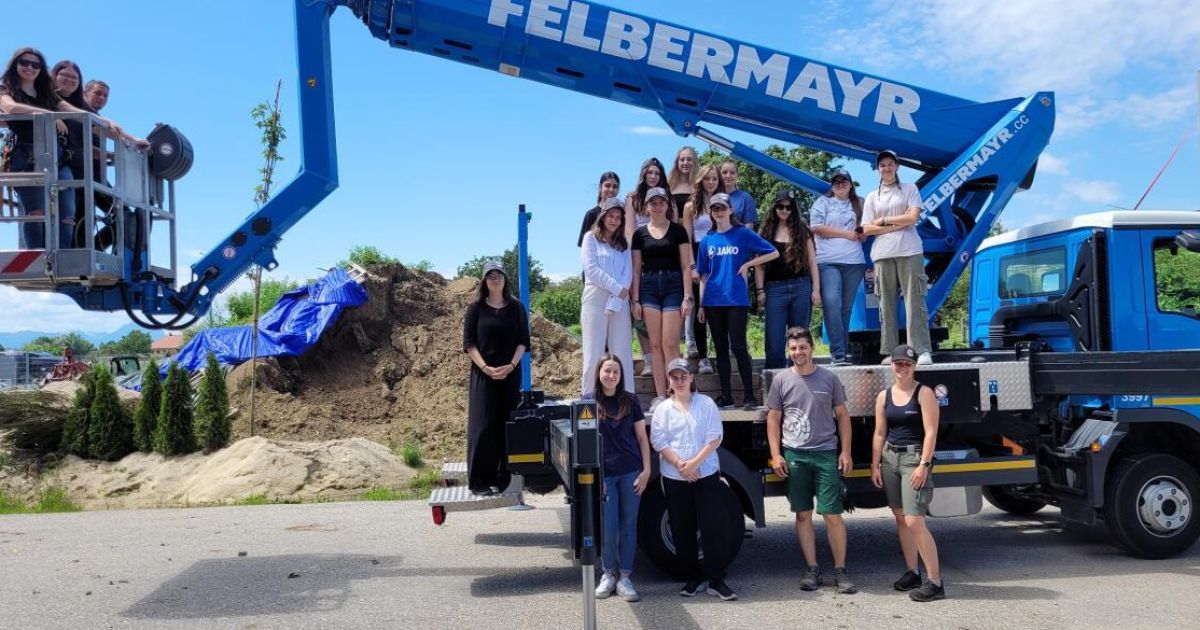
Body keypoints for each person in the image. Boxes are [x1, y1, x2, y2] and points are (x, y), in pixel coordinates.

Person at [766, 327, 857, 594]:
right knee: (803, 514)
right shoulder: (781, 380)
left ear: (812, 348)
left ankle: (840, 571)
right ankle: (812, 569)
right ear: (788, 351)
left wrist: (846, 451)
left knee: (832, 515)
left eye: (802, 347)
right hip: (794, 455)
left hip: (826, 453)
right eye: (793, 348)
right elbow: (773, 419)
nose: (798, 353)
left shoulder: (829, 379)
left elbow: (843, 416)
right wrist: (775, 455)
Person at [649, 357, 737, 601]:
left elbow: (714, 437)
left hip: (706, 472)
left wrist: (694, 464)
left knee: (713, 526)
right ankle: (692, 577)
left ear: (691, 378)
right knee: (682, 528)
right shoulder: (662, 410)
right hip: (675, 475)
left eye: (683, 376)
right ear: (668, 380)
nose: (679, 381)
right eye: (674, 377)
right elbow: (659, 441)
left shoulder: (706, 404)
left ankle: (716, 580)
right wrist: (680, 465)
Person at [871, 344, 945, 602]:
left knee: (915, 521)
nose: (902, 368)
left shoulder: (923, 393)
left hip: (914, 458)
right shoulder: (884, 396)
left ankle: (935, 582)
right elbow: (879, 432)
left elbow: (931, 432)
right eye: (898, 363)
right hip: (890, 457)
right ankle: (913, 572)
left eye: (907, 364)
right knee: (901, 517)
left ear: (914, 367)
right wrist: (875, 464)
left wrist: (924, 464)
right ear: (891, 365)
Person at [697, 192, 778, 409]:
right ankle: (727, 396)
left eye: (723, 208)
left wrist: (748, 265)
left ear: (730, 210)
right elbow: (703, 274)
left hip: (736, 298)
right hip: (713, 300)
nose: (719, 212)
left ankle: (749, 396)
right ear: (711, 213)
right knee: (720, 349)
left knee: (739, 347)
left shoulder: (742, 234)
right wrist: (701, 304)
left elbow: (773, 252)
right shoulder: (707, 241)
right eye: (715, 209)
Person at [0, 48, 82, 249]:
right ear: (15, 65)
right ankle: (36, 255)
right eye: (24, 62)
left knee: (67, 212)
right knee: (36, 213)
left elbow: (75, 111)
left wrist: (116, 128)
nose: (30, 67)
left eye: (35, 64)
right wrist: (48, 115)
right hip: (26, 158)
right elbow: (10, 108)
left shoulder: (46, 93)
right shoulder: (6, 90)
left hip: (57, 157)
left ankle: (63, 255)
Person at [462, 260, 530, 495]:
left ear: (505, 279)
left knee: (505, 425)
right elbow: (469, 344)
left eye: (499, 274)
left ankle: (503, 479)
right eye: (490, 275)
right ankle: (479, 481)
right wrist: (486, 368)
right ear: (484, 281)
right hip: (484, 375)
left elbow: (523, 341)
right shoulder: (475, 309)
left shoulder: (517, 308)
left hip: (510, 375)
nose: (495, 278)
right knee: (482, 426)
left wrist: (511, 365)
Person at [861, 150, 932, 365]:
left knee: (915, 301)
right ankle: (891, 351)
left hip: (910, 251)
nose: (886, 168)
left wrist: (882, 222)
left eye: (890, 164)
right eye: (882, 165)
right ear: (878, 169)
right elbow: (866, 228)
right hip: (882, 255)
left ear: (897, 167)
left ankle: (921, 350)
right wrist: (895, 224)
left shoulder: (910, 189)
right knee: (886, 304)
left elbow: (912, 218)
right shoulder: (872, 196)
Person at [591, 354, 651, 603]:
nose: (611, 376)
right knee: (609, 527)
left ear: (621, 375)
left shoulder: (631, 401)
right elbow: (587, 443)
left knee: (628, 526)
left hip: (630, 473)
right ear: (599, 373)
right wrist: (596, 476)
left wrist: (646, 471)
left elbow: (641, 438)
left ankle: (625, 577)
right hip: (606, 476)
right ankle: (608, 575)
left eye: (615, 371)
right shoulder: (590, 403)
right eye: (607, 371)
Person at [631, 187, 692, 407]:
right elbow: (636, 270)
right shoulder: (639, 234)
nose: (657, 207)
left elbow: (686, 266)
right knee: (655, 345)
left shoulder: (678, 231)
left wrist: (688, 297)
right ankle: (661, 396)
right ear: (646, 207)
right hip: (648, 287)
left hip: (673, 285)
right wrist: (635, 300)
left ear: (667, 205)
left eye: (661, 203)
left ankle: (678, 392)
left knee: (670, 343)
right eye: (653, 203)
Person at [757, 189, 820, 370]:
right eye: (780, 206)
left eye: (789, 207)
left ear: (794, 209)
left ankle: (801, 376)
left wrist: (816, 290)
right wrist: (760, 290)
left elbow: (812, 262)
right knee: (775, 339)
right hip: (774, 289)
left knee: (799, 338)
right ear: (774, 207)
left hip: (801, 287)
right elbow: (759, 264)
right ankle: (775, 380)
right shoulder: (766, 231)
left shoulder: (803, 230)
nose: (784, 210)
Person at [811, 169, 867, 366]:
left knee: (846, 309)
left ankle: (842, 353)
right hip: (828, 262)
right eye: (836, 181)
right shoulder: (823, 202)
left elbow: (868, 227)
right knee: (832, 303)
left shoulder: (861, 203)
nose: (840, 184)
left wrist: (863, 234)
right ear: (832, 185)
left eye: (844, 181)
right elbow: (816, 228)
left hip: (855, 263)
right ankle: (838, 353)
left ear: (851, 184)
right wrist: (846, 234)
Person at [580, 197, 634, 397]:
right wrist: (616, 287)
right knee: (593, 354)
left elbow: (628, 272)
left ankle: (627, 400)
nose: (614, 220)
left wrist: (620, 294)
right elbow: (591, 270)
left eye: (618, 217)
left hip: (619, 301)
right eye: (611, 216)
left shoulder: (624, 243)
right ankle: (589, 399)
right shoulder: (590, 238)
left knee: (622, 353)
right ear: (603, 217)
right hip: (595, 299)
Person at [625, 157, 668, 377]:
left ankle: (665, 357)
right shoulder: (633, 199)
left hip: (664, 259)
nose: (653, 177)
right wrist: (636, 260)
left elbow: (675, 227)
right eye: (649, 173)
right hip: (641, 257)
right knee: (640, 311)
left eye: (657, 173)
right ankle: (649, 359)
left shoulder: (666, 199)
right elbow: (630, 232)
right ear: (643, 175)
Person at [681, 164, 722, 375]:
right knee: (699, 309)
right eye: (707, 179)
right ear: (700, 181)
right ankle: (704, 357)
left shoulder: (723, 203)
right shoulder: (690, 207)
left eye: (714, 179)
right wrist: (692, 265)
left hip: (720, 254)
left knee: (717, 308)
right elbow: (686, 238)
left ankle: (721, 353)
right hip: (698, 253)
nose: (711, 182)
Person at [577, 171, 620, 248]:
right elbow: (585, 247)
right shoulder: (591, 214)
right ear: (600, 187)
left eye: (615, 186)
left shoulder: (621, 215)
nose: (611, 189)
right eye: (607, 185)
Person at [719, 160, 757, 229]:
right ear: (719, 175)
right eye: (724, 172)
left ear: (737, 175)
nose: (728, 176)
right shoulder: (713, 196)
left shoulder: (745, 198)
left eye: (732, 173)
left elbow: (748, 229)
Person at [667, 146, 696, 219]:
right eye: (682, 159)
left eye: (689, 159)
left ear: (694, 162)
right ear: (677, 162)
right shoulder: (668, 185)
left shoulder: (700, 185)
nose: (685, 163)